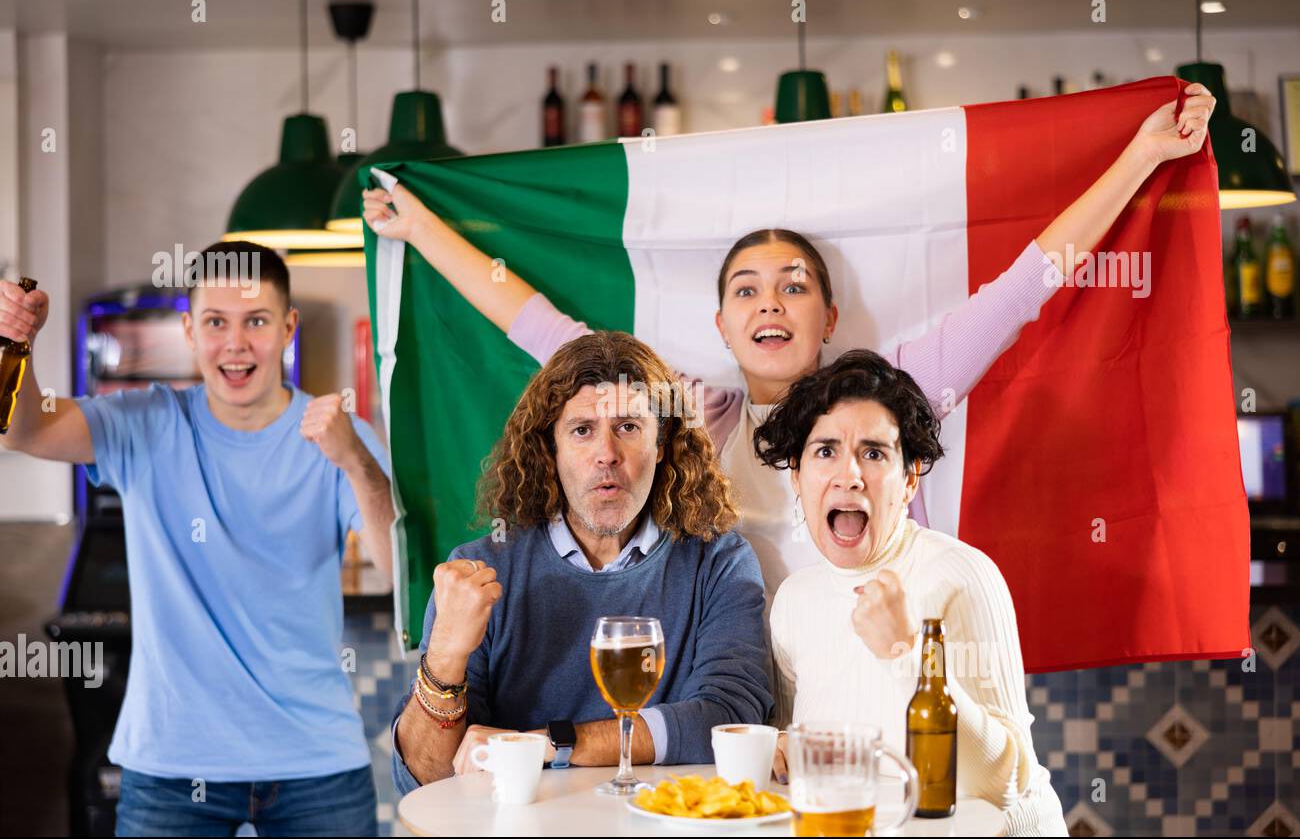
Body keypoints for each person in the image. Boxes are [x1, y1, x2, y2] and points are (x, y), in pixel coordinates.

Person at [361, 84, 1216, 610]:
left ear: (829, 316)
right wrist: (421, 228)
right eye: (747, 290)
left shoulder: (895, 392)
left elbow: (1029, 284)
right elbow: (538, 324)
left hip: (868, 683)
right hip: (728, 701)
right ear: (723, 324)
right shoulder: (680, 410)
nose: (770, 302)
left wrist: (1143, 153)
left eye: (794, 286)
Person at [0, 241, 395, 836]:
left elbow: (399, 576)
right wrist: (14, 345)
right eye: (216, 322)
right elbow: (21, 430)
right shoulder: (143, 422)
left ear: (288, 327)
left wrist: (356, 462)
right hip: (170, 768)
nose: (235, 344)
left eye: (256, 321)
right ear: (189, 329)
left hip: (315, 764)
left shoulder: (341, 434)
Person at [390, 331, 771, 793]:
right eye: (582, 430)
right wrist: (445, 658)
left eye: (628, 427)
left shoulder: (719, 563)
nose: (605, 455)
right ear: (549, 450)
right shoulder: (478, 572)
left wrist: (553, 744)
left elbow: (730, 719)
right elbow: (423, 778)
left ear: (663, 443)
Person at [755, 349, 1067, 836]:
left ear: (909, 480)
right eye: (825, 451)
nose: (849, 475)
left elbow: (1003, 781)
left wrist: (906, 653)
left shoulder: (961, 576)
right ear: (796, 475)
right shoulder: (794, 601)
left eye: (874, 453)